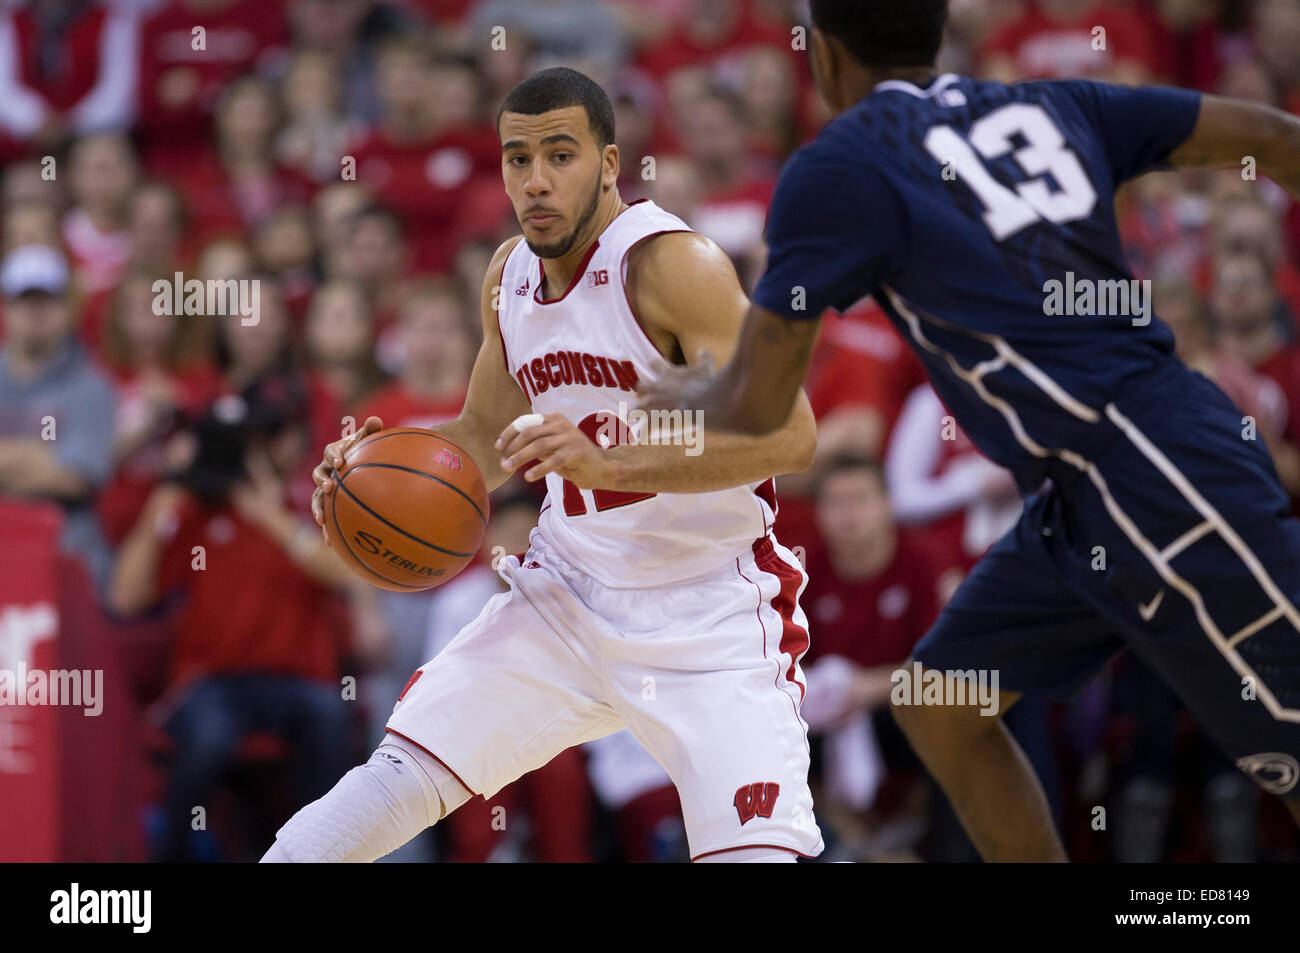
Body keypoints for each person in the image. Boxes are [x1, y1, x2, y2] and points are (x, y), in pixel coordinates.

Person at [637, 0, 1300, 860]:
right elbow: (1278, 134)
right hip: (1079, 497)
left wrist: (673, 395)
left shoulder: (837, 166)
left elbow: (755, 405)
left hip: (1150, 469)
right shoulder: (1055, 102)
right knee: (941, 704)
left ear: (826, 60)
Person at [261, 67, 823, 864]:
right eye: (517, 159)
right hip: (566, 595)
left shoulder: (670, 266)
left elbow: (789, 436)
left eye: (560, 155)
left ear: (607, 162)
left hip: (709, 612)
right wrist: (372, 472)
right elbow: (487, 436)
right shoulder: (509, 277)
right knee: (384, 785)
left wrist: (612, 461)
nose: (536, 180)